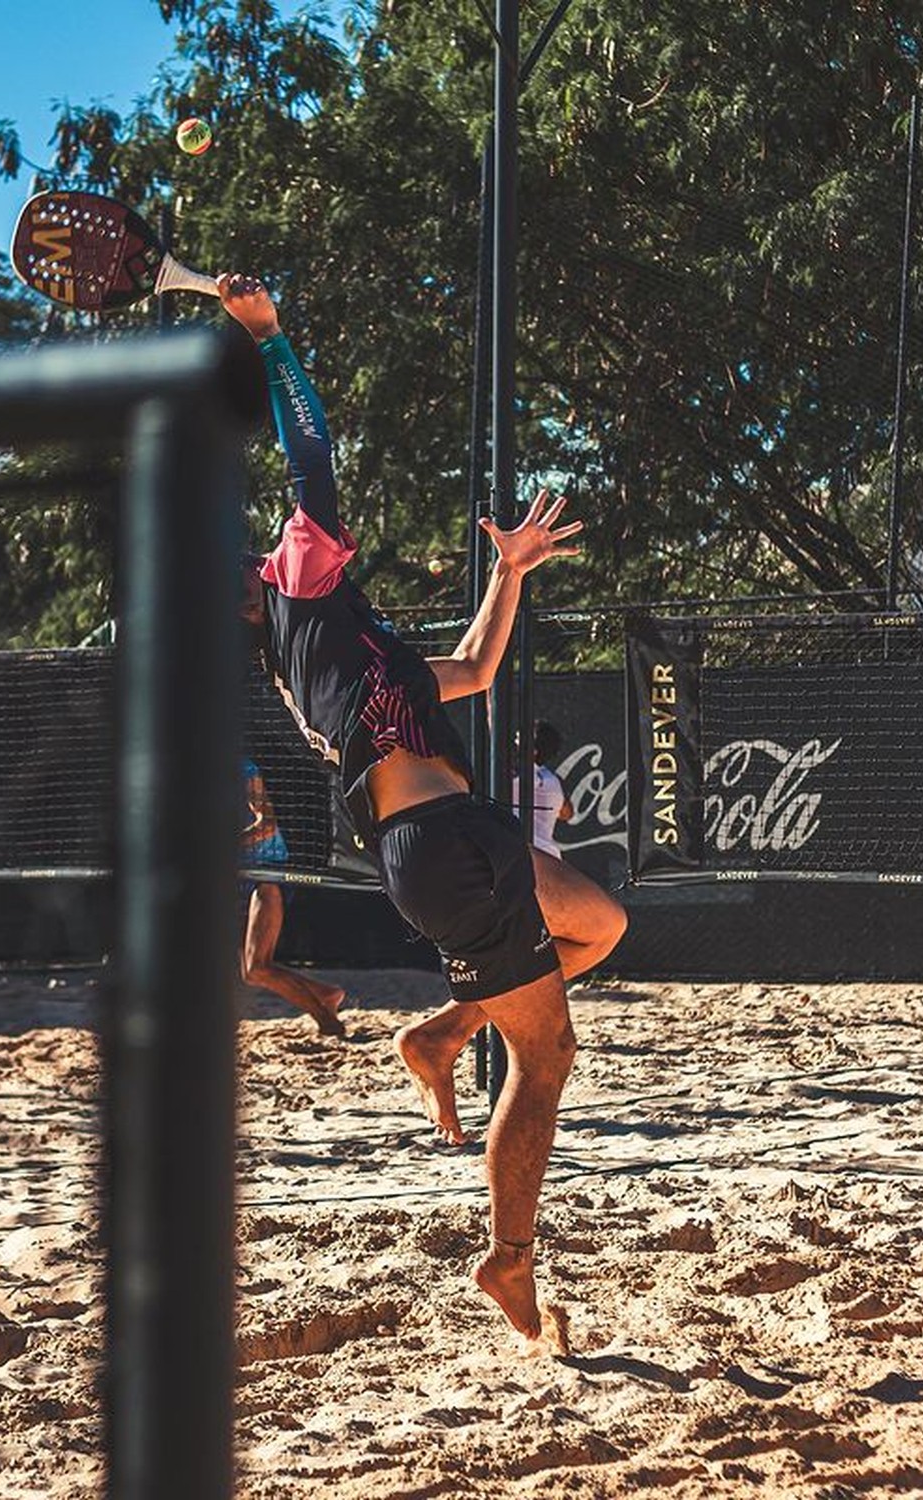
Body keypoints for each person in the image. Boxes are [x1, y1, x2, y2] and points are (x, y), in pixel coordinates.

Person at [219, 271, 627, 1341]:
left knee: (600, 924)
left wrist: (512, 571)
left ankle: (442, 1036)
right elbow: (311, 459)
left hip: (459, 833)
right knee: (546, 1057)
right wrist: (270, 339)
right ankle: (507, 1259)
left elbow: (478, 669)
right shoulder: (299, 588)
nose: (281, 538)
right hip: (436, 851)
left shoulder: (339, 653)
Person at [240, 757, 347, 1039]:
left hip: (269, 873)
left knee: (257, 969)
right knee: (251, 969)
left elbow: (267, 825)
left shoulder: (243, 769)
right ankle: (325, 993)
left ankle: (328, 1021)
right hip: (243, 876)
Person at [511, 721, 575, 860]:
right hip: (549, 860)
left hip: (529, 859)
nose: (513, 743)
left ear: (533, 751)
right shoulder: (554, 780)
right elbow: (567, 813)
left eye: (517, 740)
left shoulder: (526, 774)